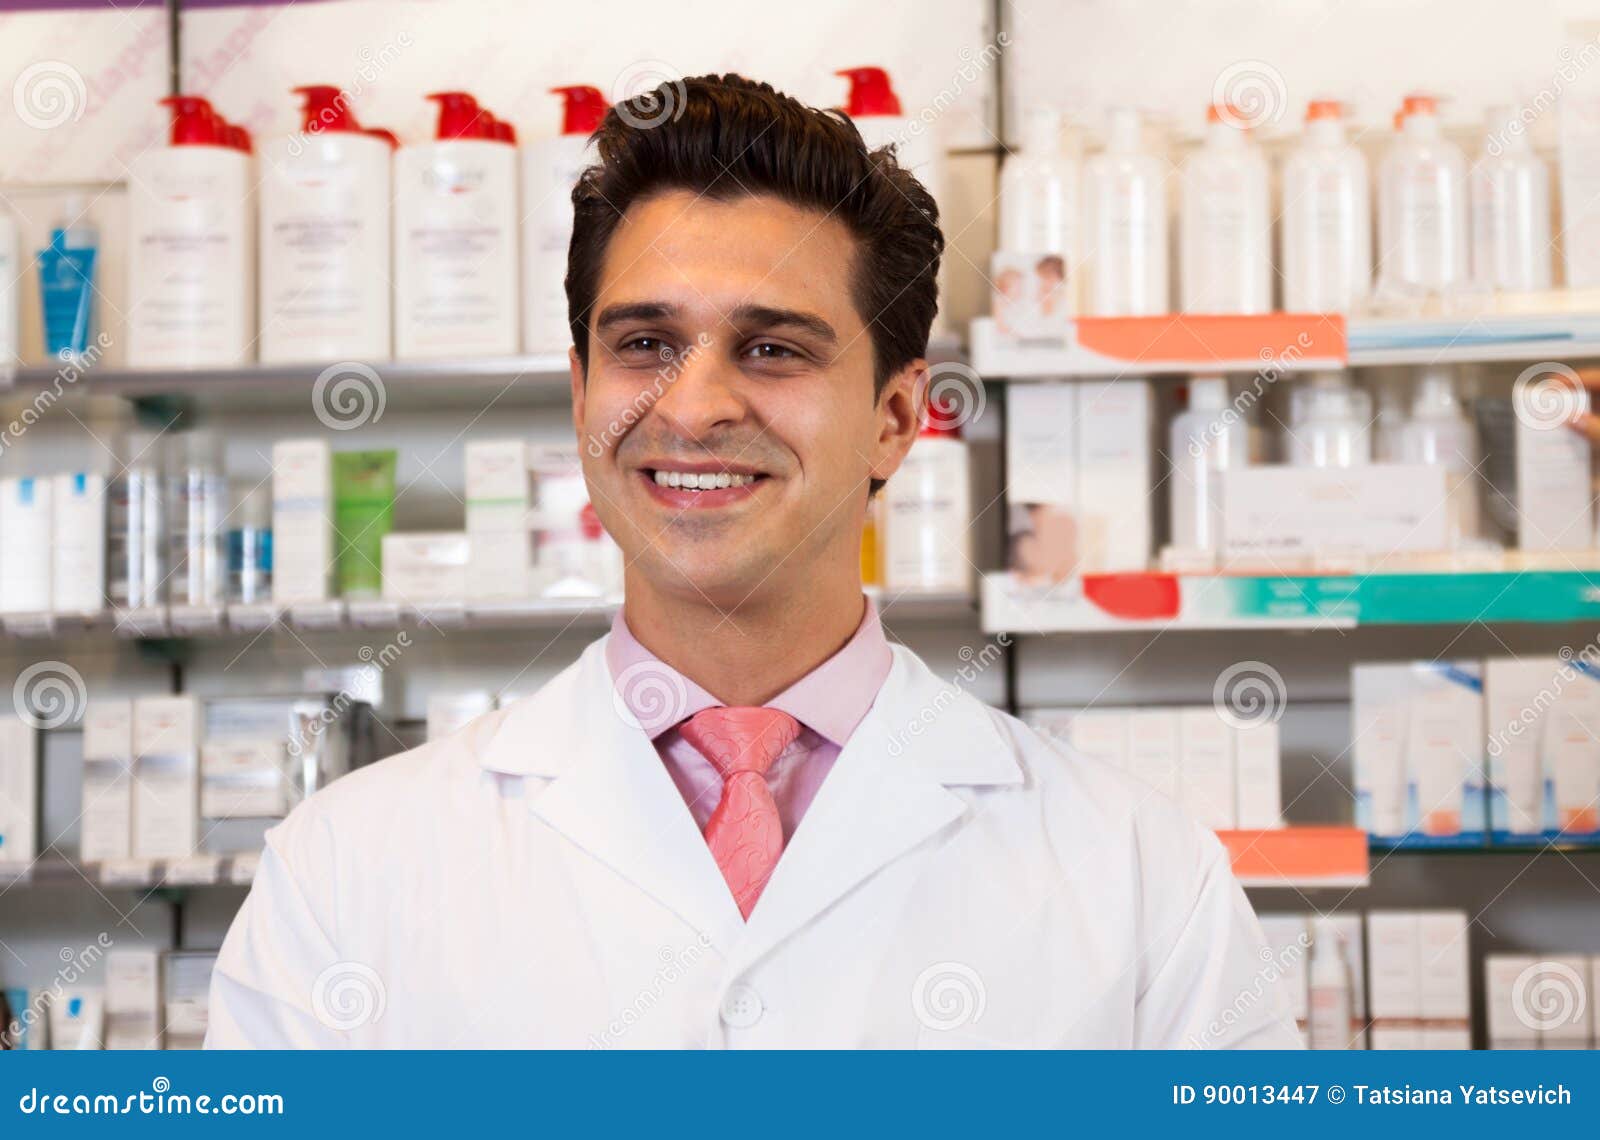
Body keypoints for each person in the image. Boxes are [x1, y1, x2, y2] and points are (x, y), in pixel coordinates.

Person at [205, 74, 1299, 1049]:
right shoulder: (350, 869)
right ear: (582, 394)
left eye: (772, 349)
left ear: (896, 415)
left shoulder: (1141, 874)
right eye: (642, 346)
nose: (693, 406)